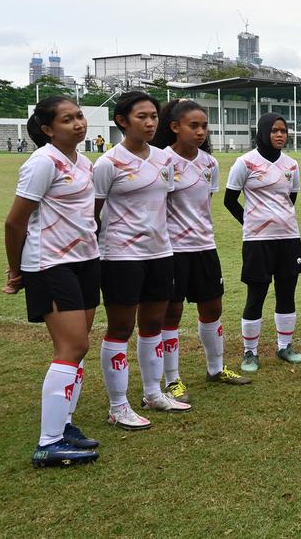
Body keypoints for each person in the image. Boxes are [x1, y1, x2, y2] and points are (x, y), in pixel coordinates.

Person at [4, 96, 101, 467]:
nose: (78, 123)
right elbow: (15, 222)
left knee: (79, 347)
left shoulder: (84, 161)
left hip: (85, 261)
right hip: (50, 264)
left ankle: (65, 426)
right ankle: (48, 443)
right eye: (67, 119)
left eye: (79, 116)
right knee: (71, 346)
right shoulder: (42, 162)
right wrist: (17, 271)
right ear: (47, 129)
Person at [93, 91, 191, 431]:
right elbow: (93, 215)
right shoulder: (108, 163)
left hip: (161, 253)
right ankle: (118, 405)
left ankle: (153, 393)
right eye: (141, 117)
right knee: (121, 328)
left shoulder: (165, 159)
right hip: (121, 256)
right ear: (122, 121)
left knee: (153, 325)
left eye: (153, 117)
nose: (150, 123)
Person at [150, 99, 248, 400]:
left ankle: (216, 368)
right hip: (172, 250)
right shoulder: (160, 161)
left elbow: (203, 206)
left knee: (212, 309)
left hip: (205, 246)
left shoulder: (210, 163)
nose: (201, 131)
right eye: (194, 126)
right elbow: (156, 207)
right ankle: (172, 378)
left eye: (204, 126)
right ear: (175, 127)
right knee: (172, 313)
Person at [227, 112, 301, 371]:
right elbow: (230, 200)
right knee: (256, 295)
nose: (280, 135)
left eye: (283, 130)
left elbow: (290, 198)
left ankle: (285, 347)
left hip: (288, 238)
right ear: (262, 132)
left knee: (287, 293)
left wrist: (278, 219)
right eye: (274, 130)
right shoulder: (245, 163)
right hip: (257, 241)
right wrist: (252, 222)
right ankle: (250, 353)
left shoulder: (291, 165)